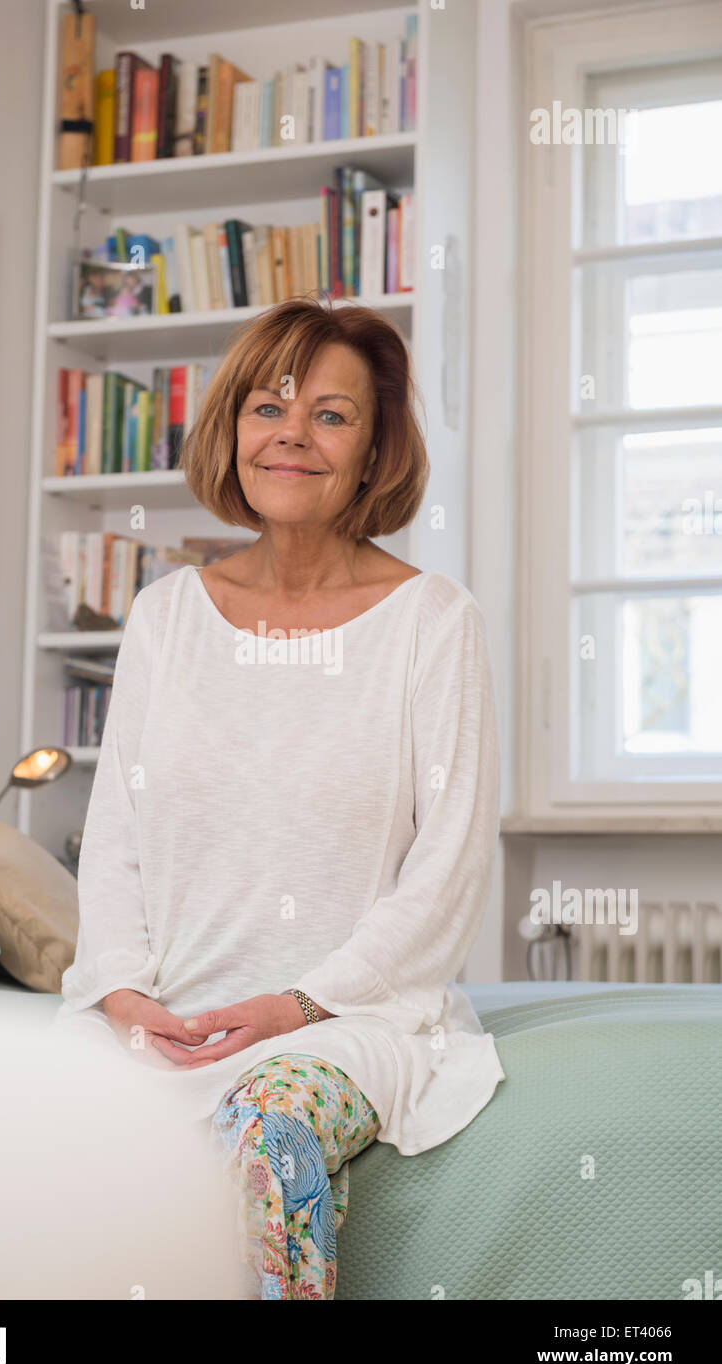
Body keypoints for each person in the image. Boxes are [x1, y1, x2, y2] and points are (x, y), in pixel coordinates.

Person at [57, 297, 506, 1300]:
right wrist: (125, 994)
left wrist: (299, 1002)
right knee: (20, 1126)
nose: (294, 433)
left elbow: (450, 866)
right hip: (164, 1015)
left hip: (348, 1018)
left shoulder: (433, 623)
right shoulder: (166, 617)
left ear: (373, 451)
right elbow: (116, 836)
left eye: (333, 415)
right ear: (234, 429)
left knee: (271, 1123)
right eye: (270, 406)